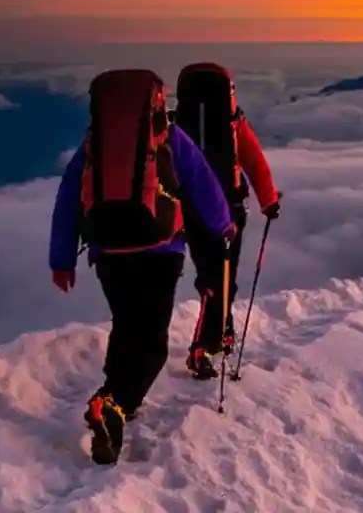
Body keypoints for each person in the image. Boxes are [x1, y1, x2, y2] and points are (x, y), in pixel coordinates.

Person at [49, 69, 234, 465]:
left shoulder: (93, 145)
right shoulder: (168, 137)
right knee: (152, 343)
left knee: (127, 323)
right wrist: (223, 227)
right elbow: (203, 183)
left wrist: (62, 259)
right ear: (157, 102)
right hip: (160, 251)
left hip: (109, 253)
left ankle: (117, 397)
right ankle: (114, 403)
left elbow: (68, 199)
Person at [173, 63, 281, 381]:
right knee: (222, 276)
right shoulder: (233, 121)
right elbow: (254, 160)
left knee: (213, 276)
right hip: (231, 208)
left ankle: (219, 335)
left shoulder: (177, 124)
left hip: (192, 210)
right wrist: (269, 201)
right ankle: (204, 345)